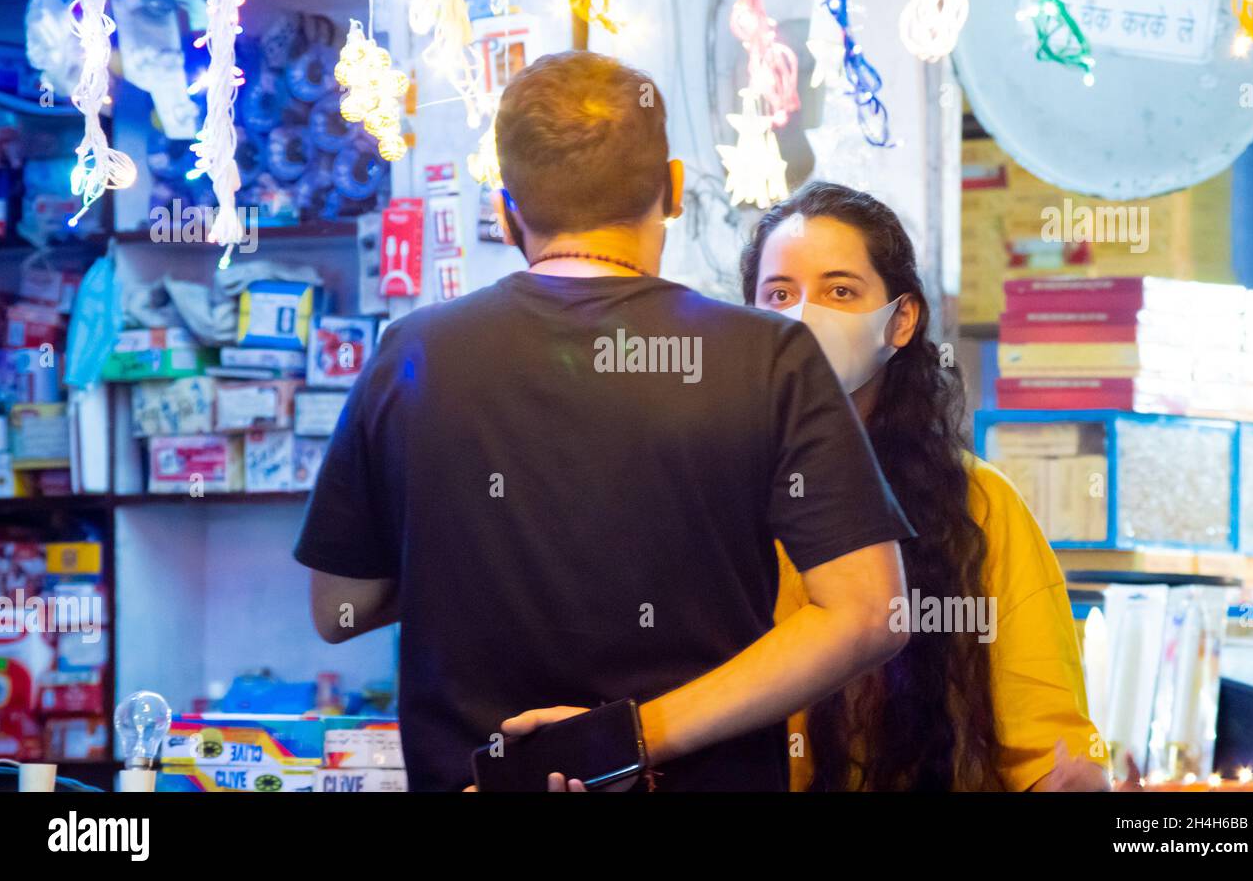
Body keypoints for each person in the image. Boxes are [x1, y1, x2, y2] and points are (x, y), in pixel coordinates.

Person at [294, 53, 915, 791]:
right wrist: (633, 739)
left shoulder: (411, 356)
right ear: (674, 189)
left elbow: (337, 609)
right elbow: (871, 613)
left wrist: (461, 550)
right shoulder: (769, 356)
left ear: (505, 210)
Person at [740, 181, 1109, 791]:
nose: (803, 316)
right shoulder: (714, 493)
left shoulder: (980, 505)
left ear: (901, 319)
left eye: (839, 291)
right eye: (779, 294)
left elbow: (1048, 748)